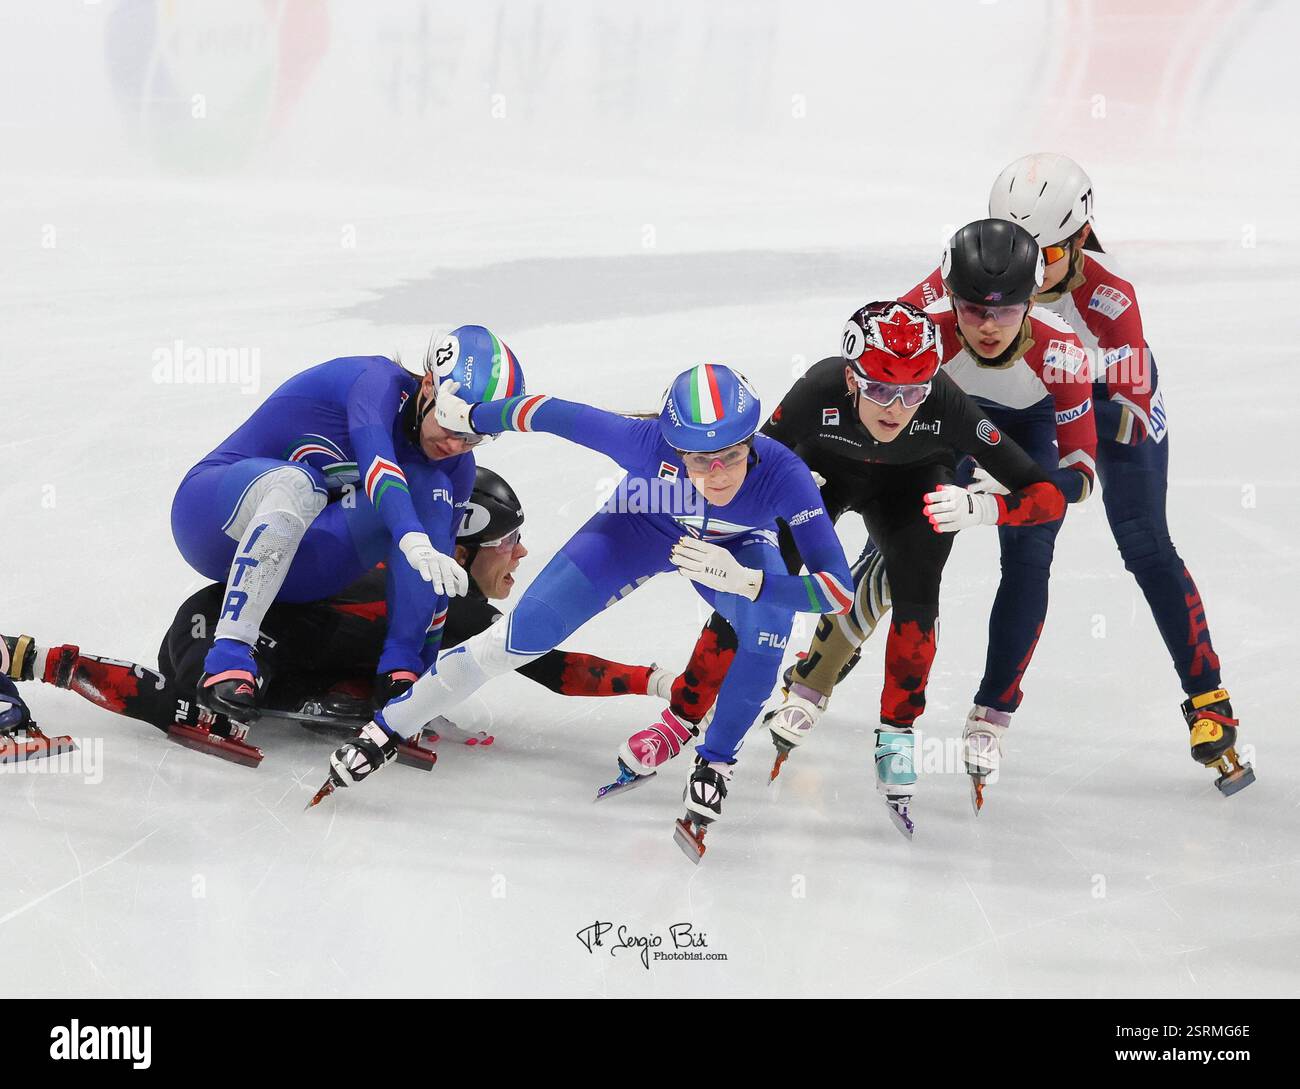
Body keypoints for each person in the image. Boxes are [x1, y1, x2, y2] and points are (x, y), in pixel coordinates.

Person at [316, 364, 854, 861]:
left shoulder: (785, 474)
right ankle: (389, 727)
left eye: (731, 457)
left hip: (732, 553)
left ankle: (716, 761)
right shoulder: (643, 443)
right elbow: (546, 412)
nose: (716, 475)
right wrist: (473, 417)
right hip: (639, 524)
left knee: (768, 630)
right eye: (697, 460)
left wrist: (750, 581)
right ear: (672, 446)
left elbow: (838, 593)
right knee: (525, 634)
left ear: (751, 442)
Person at [670, 221, 1098, 813]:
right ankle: (685, 707)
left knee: (919, 588)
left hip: (912, 489)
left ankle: (897, 735)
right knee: (763, 577)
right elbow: (750, 460)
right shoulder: (819, 386)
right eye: (880, 391)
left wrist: (984, 508)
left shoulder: (948, 401)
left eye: (914, 392)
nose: (896, 409)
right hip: (823, 483)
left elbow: (1051, 493)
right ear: (850, 378)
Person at [2, 469, 672, 763]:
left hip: (260, 639)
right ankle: (25, 658)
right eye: (508, 541)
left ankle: (335, 689)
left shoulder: (438, 589)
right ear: (463, 547)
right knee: (210, 711)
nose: (522, 552)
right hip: (223, 632)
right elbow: (551, 668)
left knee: (365, 686)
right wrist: (658, 681)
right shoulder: (448, 596)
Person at [976, 152, 1248, 794]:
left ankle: (1209, 699)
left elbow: (1122, 415)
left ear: (1076, 242)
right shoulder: (987, 269)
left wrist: (1060, 462)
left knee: (1145, 543)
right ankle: (832, 654)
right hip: (1032, 397)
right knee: (946, 514)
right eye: (1013, 248)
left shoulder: (1109, 295)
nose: (1022, 269)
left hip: (1111, 405)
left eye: (1041, 255)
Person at [170, 324, 523, 731]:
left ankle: (396, 672)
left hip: (301, 565)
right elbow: (379, 469)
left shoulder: (455, 466)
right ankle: (228, 657)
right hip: (210, 519)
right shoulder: (375, 385)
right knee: (300, 483)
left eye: (473, 437)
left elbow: (435, 575)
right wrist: (412, 537)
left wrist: (419, 686)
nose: (455, 444)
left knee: (430, 488)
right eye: (451, 423)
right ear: (429, 386)